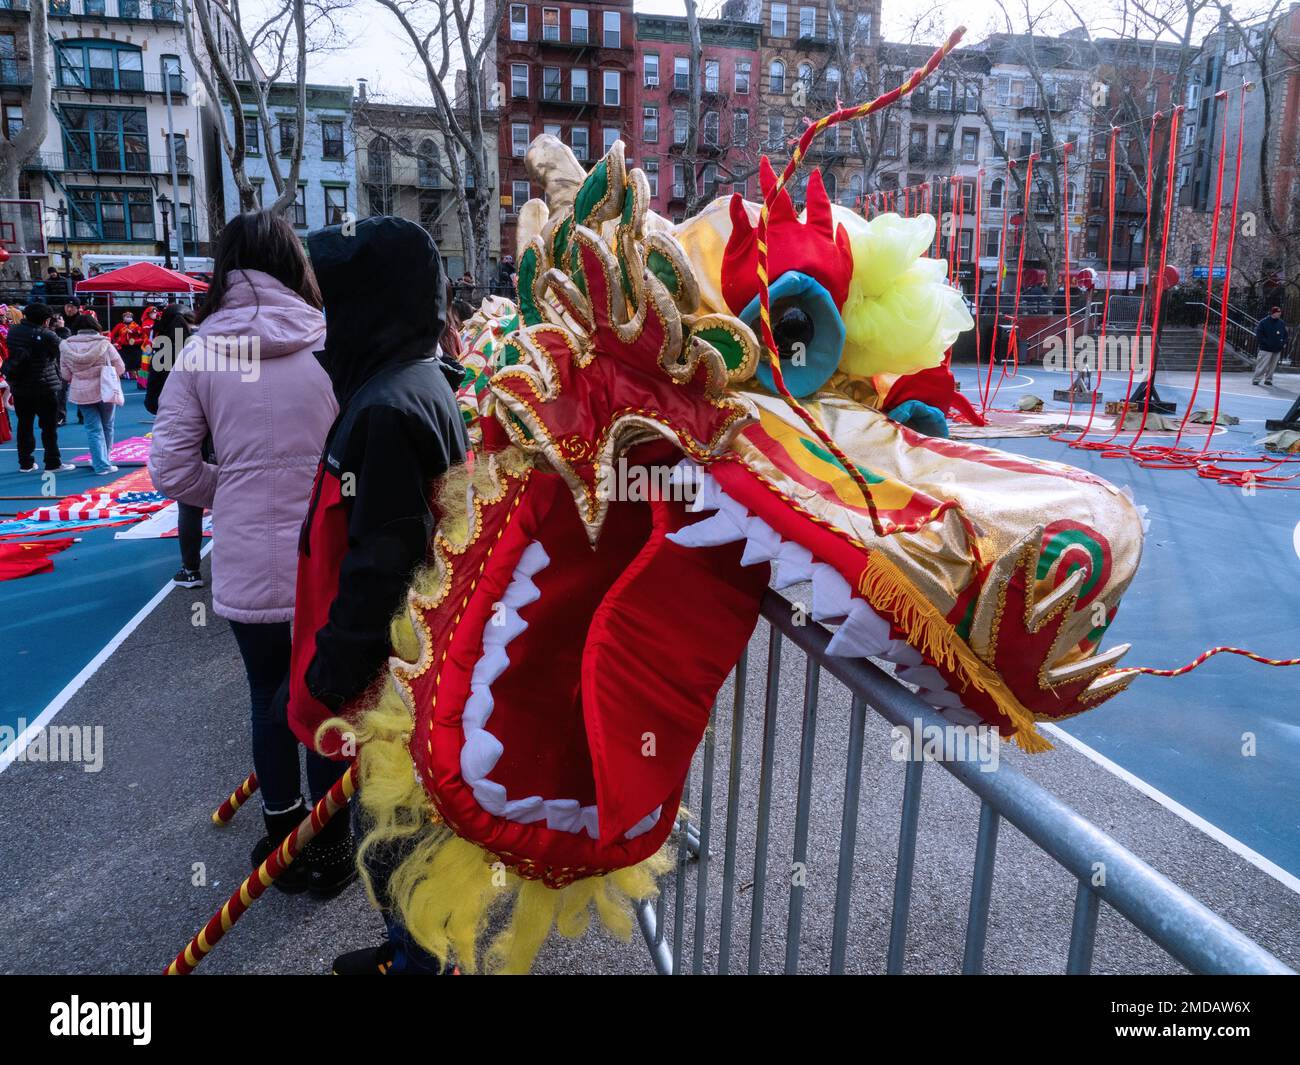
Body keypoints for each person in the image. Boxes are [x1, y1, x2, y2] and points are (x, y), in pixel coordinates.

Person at [288, 216, 468, 973]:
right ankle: (408, 948)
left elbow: (382, 563)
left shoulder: (390, 405)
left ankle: (421, 961)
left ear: (371, 308)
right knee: (400, 832)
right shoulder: (403, 384)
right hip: (398, 668)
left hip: (387, 678)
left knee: (402, 831)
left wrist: (331, 672)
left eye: (336, 306)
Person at [148, 210, 342, 896]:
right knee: (324, 692)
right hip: (325, 551)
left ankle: (282, 825)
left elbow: (169, 466)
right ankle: (331, 837)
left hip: (248, 558)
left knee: (268, 691)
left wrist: (225, 490)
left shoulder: (203, 351)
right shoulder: (329, 340)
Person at [144, 302, 205, 587]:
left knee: (189, 501)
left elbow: (153, 392)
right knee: (232, 493)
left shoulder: (164, 345)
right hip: (216, 426)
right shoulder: (210, 341)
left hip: (181, 427)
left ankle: (191, 569)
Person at [9, 304, 77, 474]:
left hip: (20, 386)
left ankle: (25, 463)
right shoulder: (47, 335)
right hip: (44, 386)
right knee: (49, 427)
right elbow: (66, 349)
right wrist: (61, 330)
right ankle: (52, 462)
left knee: (24, 425)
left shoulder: (13, 332)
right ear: (46, 320)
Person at [59, 312, 124, 475]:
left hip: (81, 392)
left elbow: (65, 375)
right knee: (107, 425)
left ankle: (100, 463)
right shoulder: (105, 344)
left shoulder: (66, 346)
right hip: (105, 389)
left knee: (93, 429)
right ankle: (104, 459)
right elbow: (120, 367)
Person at [1253, 306, 1289, 387]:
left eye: (1280, 312)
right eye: (1277, 312)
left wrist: (1283, 343)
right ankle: (1256, 379)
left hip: (1277, 349)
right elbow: (1259, 335)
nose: (1279, 314)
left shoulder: (1281, 323)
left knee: (1272, 366)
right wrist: (1266, 342)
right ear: (1273, 313)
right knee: (1262, 365)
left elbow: (1286, 334)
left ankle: (1268, 379)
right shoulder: (1263, 322)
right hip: (1266, 348)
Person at [109, 311, 145, 386]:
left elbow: (142, 335)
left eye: (129, 316)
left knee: (136, 361)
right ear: (123, 317)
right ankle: (123, 374)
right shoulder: (119, 325)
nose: (128, 318)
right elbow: (112, 335)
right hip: (123, 347)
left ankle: (135, 375)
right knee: (124, 361)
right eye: (126, 316)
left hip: (135, 347)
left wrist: (134, 335)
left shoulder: (136, 326)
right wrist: (113, 343)